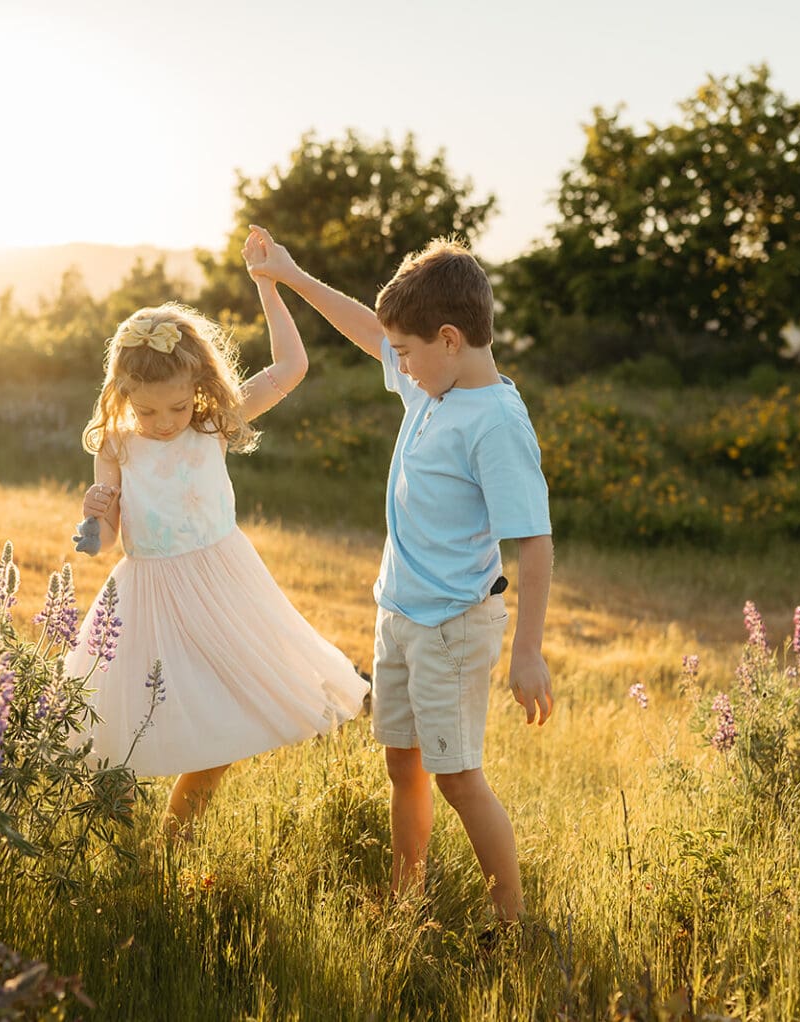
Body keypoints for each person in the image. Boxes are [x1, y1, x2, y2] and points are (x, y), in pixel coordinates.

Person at [243, 226, 553, 924]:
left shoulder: (495, 422)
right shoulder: (432, 387)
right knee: (403, 766)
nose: (396, 365)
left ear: (450, 339)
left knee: (458, 778)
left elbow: (534, 544)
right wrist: (291, 276)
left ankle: (513, 919)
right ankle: (405, 898)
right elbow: (370, 330)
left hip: (451, 626)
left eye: (406, 353)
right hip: (400, 618)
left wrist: (528, 652)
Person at [66, 242, 369, 840]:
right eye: (148, 410)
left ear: (198, 385)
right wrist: (95, 512)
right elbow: (99, 543)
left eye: (176, 405)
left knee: (227, 719)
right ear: (124, 396)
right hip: (147, 594)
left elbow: (290, 370)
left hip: (224, 584)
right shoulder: (117, 446)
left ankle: (177, 835)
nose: (164, 422)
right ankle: (126, 850)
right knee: (118, 733)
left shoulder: (213, 425)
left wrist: (268, 285)